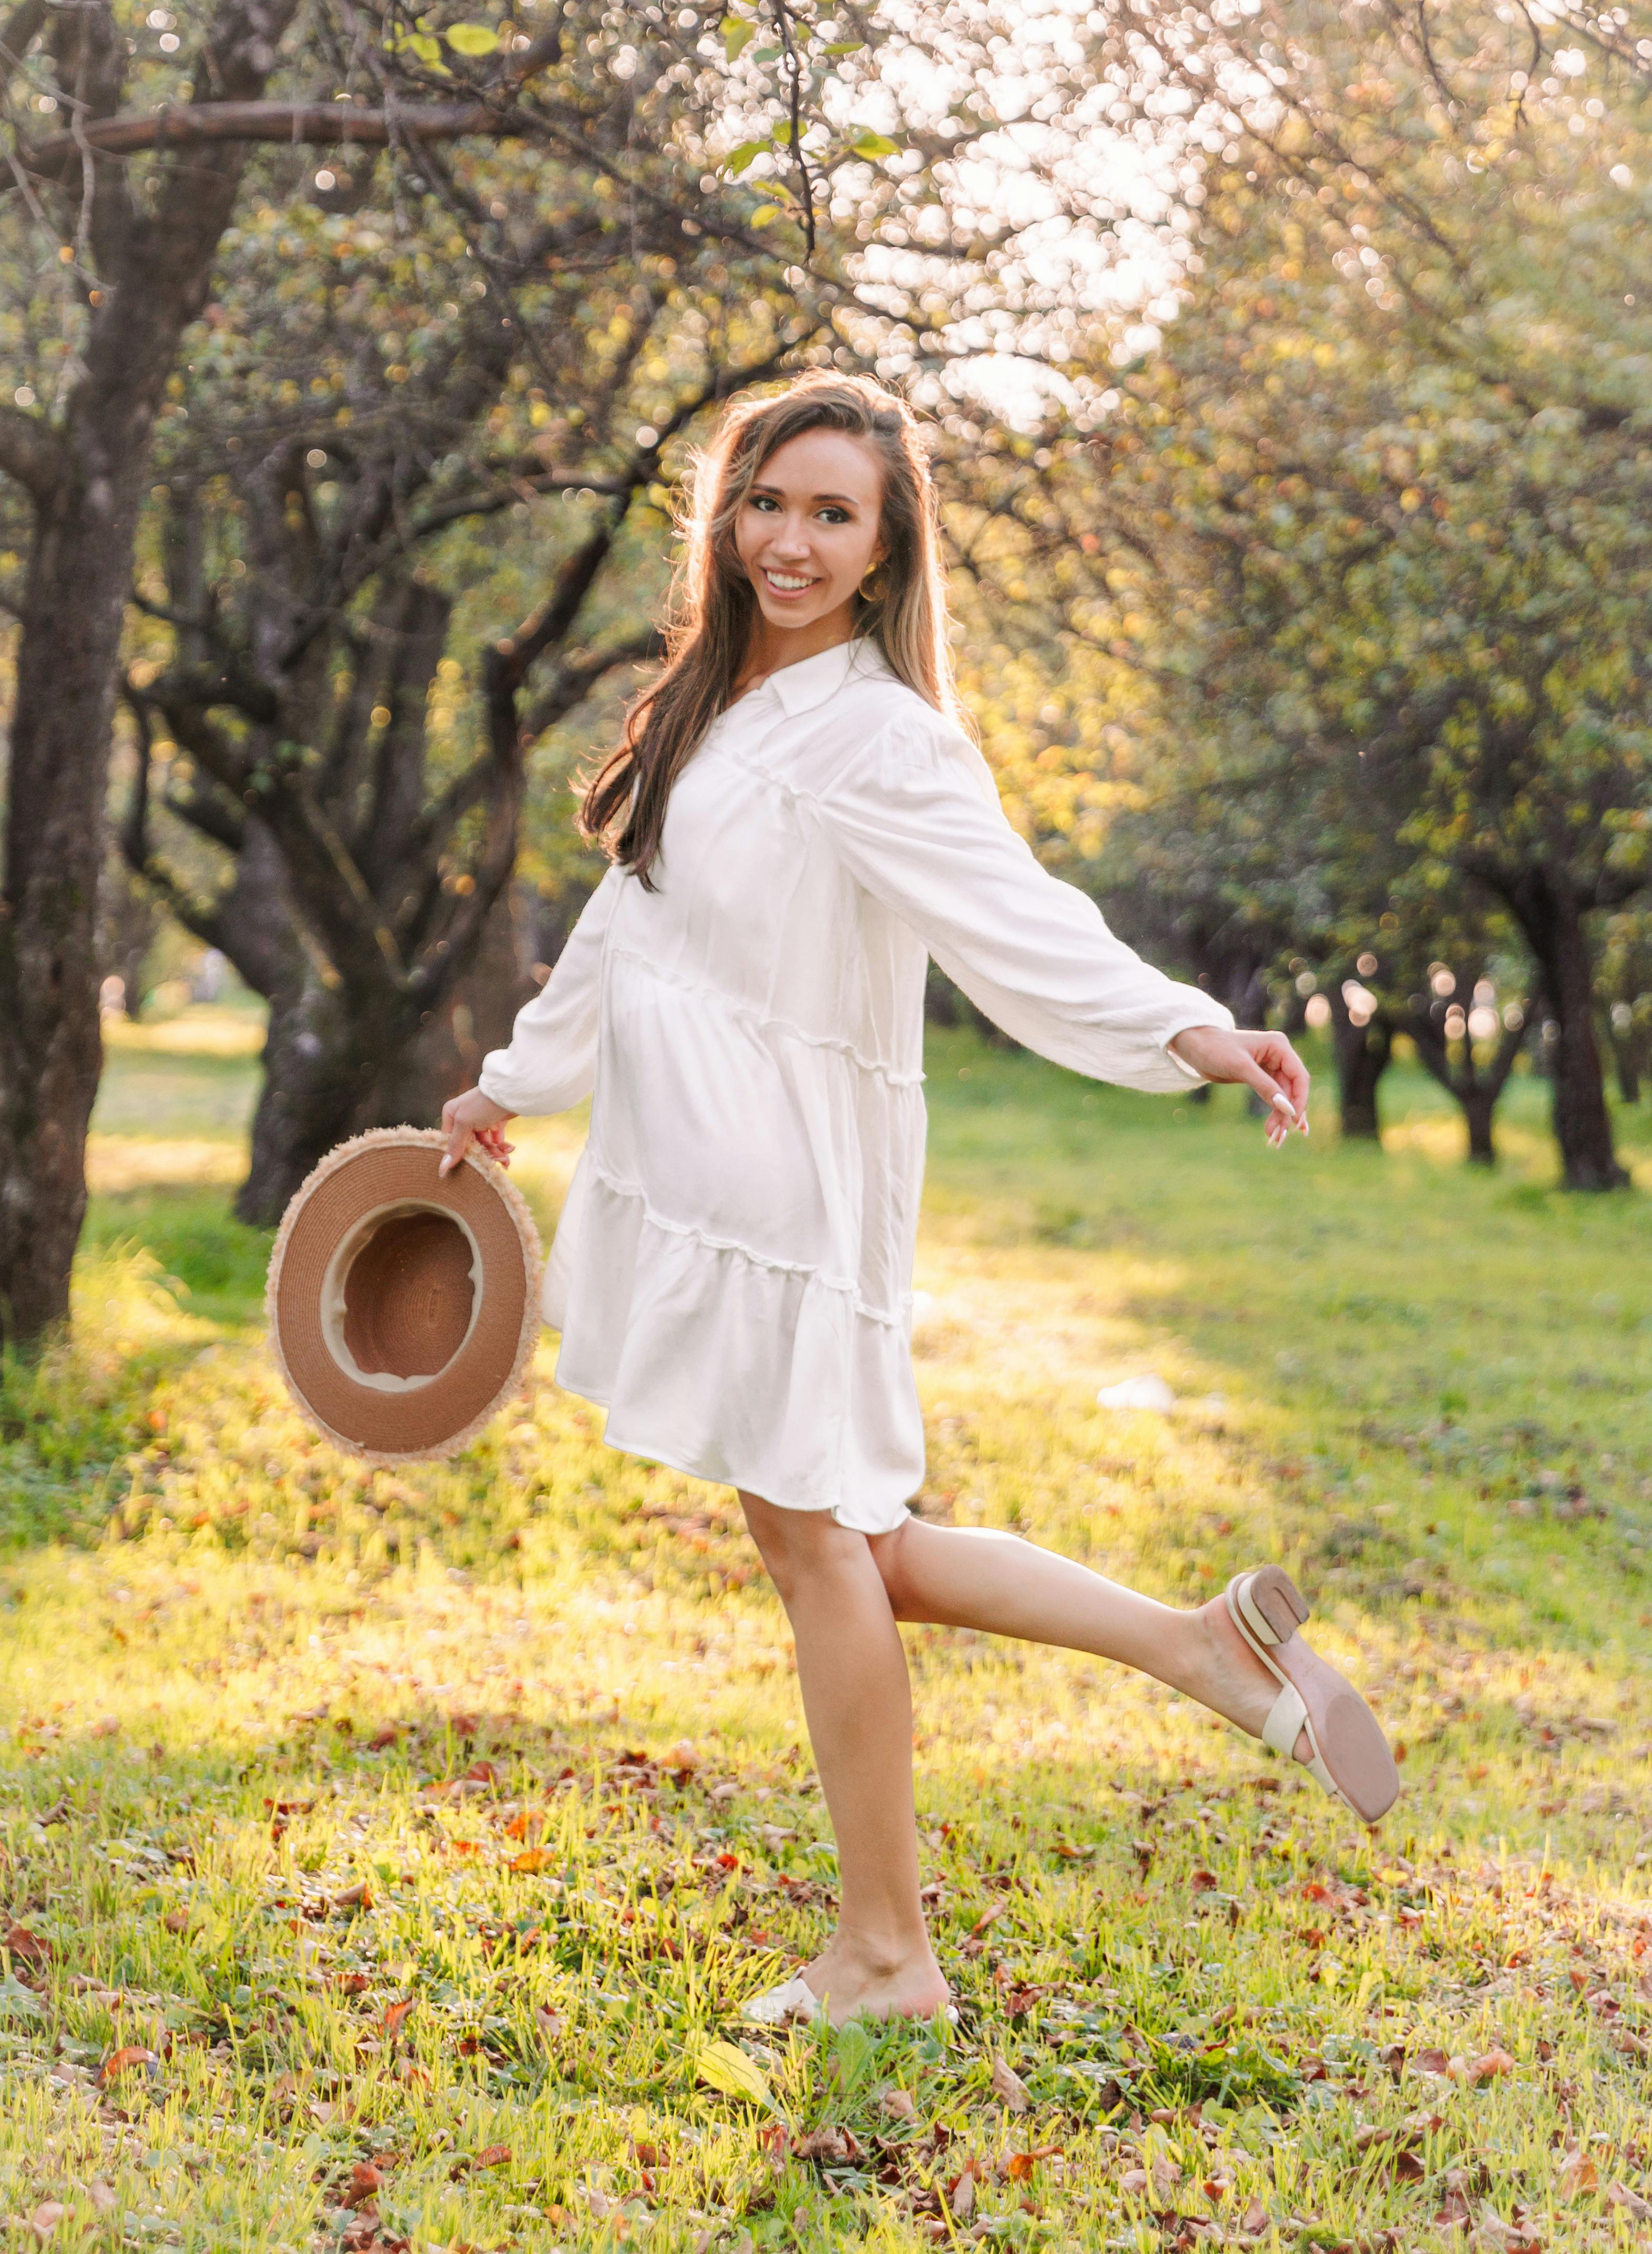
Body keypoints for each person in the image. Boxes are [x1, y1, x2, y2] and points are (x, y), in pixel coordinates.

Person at [440, 373, 1399, 2028]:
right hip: (704, 1164)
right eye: (770, 503)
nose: (792, 541)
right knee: (862, 1546)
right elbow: (627, 926)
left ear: (888, 555)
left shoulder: (881, 735)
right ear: (725, 515)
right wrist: (512, 1084)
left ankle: (887, 1955)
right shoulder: (720, 705)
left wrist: (1185, 1027)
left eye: (834, 516)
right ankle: (1199, 1649)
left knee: (823, 1554)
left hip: (775, 1190)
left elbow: (1021, 922)